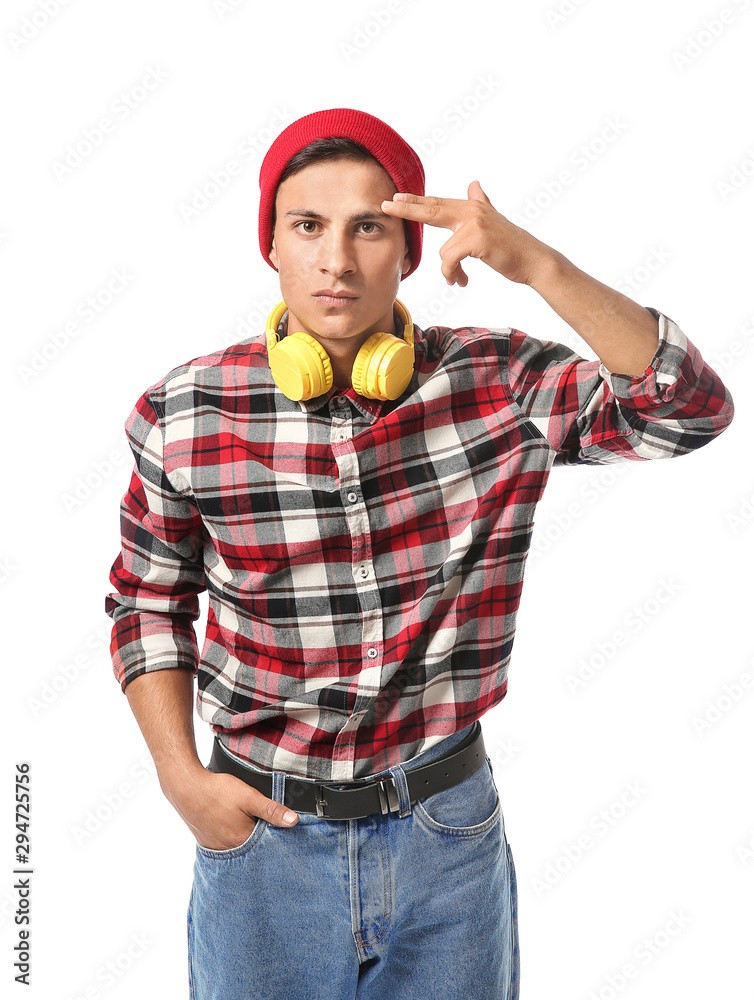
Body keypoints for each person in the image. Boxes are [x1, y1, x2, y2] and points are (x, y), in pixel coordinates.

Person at [105, 107, 734, 999]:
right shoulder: (185, 411)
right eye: (308, 225)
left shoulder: (497, 382)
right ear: (270, 244)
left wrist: (540, 266)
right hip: (260, 834)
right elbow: (145, 603)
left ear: (408, 251)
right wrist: (180, 777)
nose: (336, 260)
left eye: (368, 227)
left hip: (447, 838)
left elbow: (688, 411)